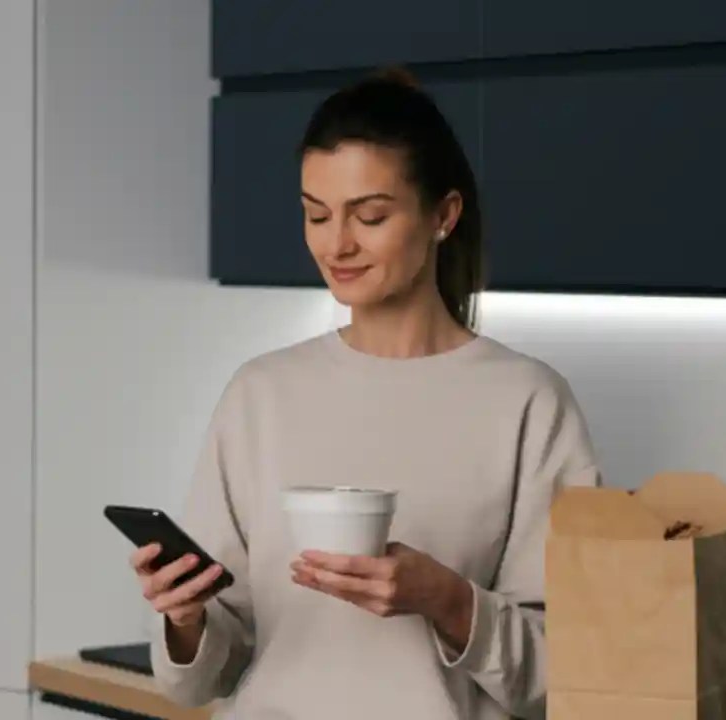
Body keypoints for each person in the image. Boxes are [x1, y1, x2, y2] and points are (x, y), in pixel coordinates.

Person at [128, 68, 601, 720]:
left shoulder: (529, 403)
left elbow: (573, 678)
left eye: (370, 215)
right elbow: (198, 678)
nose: (337, 243)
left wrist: (448, 599)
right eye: (316, 215)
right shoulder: (260, 395)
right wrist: (185, 619)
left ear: (444, 215)